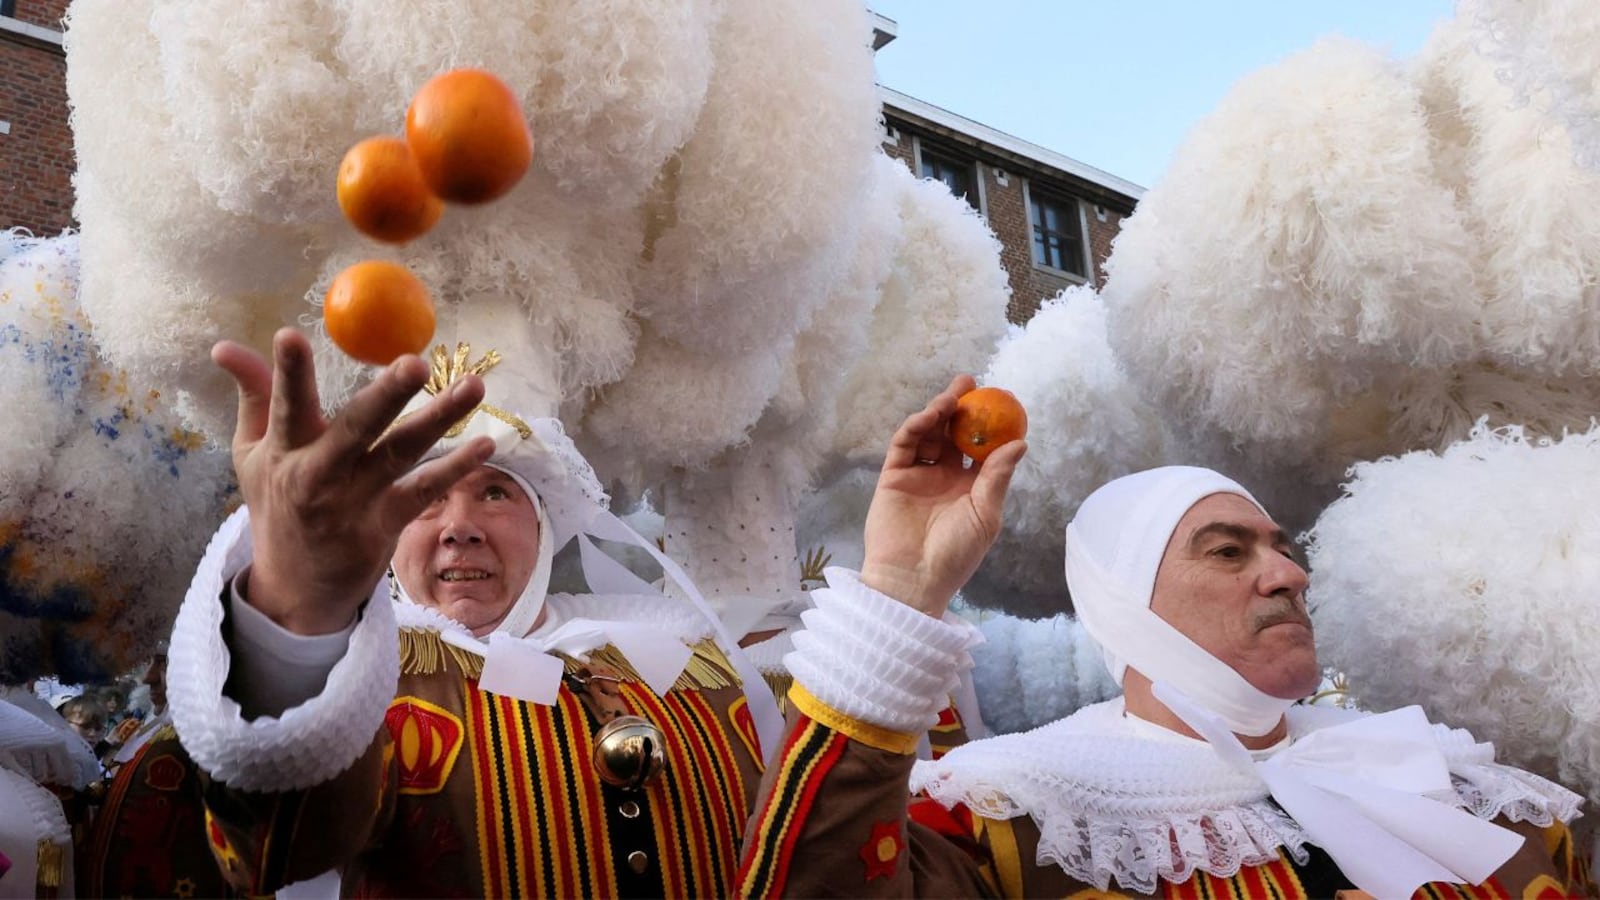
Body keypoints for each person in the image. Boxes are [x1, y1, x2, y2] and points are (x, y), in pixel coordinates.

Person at [736, 374, 1591, 898]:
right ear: (1125, 609)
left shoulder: (1448, 777)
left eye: (1283, 550)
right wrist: (900, 588)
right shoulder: (1013, 818)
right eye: (1228, 552)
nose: (1289, 575)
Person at [165, 330, 785, 897]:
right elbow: (270, 853)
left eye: (495, 493)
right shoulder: (361, 685)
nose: (460, 528)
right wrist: (298, 610)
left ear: (543, 531)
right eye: (427, 497)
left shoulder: (682, 668)